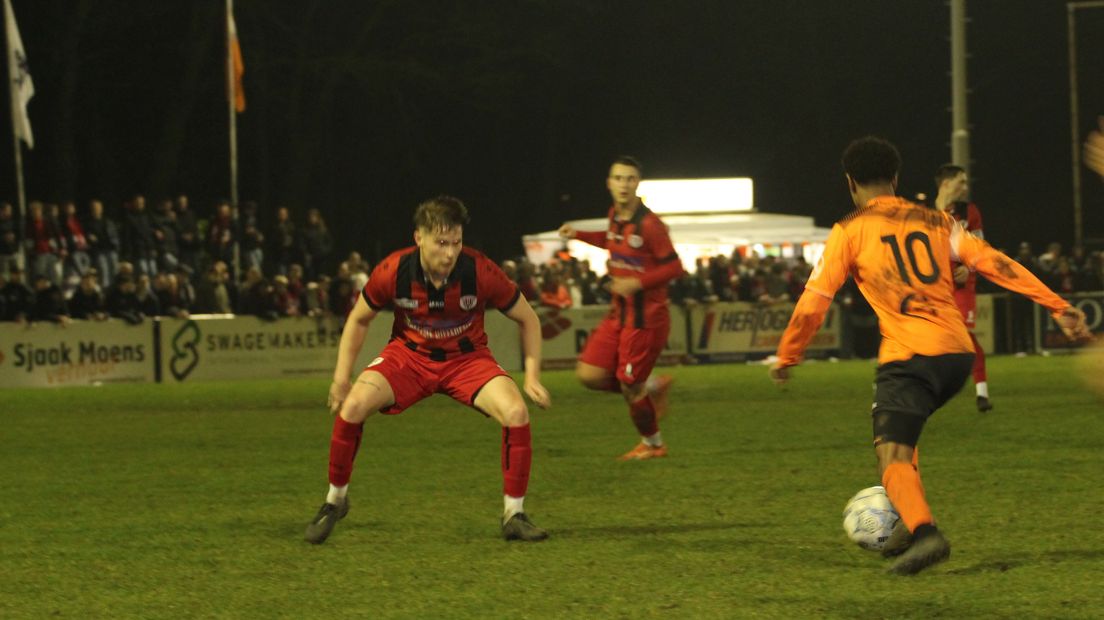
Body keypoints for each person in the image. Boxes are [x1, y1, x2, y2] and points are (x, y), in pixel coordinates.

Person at [769, 136, 1090, 575]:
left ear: (850, 183)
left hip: (909, 356)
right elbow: (993, 262)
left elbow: (814, 300)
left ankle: (925, 533)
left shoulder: (850, 230)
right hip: (956, 356)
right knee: (901, 439)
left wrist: (787, 356)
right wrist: (1059, 304)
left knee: (891, 456)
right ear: (896, 179)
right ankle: (909, 525)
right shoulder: (939, 221)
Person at [305, 195, 552, 544]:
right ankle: (335, 501)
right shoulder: (393, 270)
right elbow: (359, 320)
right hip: (409, 357)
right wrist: (340, 379)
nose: (450, 253)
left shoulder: (479, 270)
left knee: (516, 412)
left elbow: (528, 319)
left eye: (456, 242)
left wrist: (532, 376)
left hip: (467, 359)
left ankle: (515, 514)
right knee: (353, 406)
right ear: (418, 237)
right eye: (441, 243)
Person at [558, 156, 683, 460]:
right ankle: (651, 387)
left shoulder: (650, 224)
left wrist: (636, 284)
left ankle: (654, 445)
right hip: (619, 314)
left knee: (630, 386)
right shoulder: (615, 215)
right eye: (618, 178)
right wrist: (579, 235)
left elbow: (675, 267)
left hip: (645, 319)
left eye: (629, 179)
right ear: (609, 183)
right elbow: (611, 241)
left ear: (637, 184)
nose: (624, 184)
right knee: (589, 375)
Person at [932, 164, 992, 411]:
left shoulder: (970, 211)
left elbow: (979, 248)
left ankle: (981, 392)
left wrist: (968, 268)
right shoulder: (925, 213)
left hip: (961, 284)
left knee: (964, 337)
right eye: (961, 182)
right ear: (946, 184)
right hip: (934, 286)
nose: (965, 187)